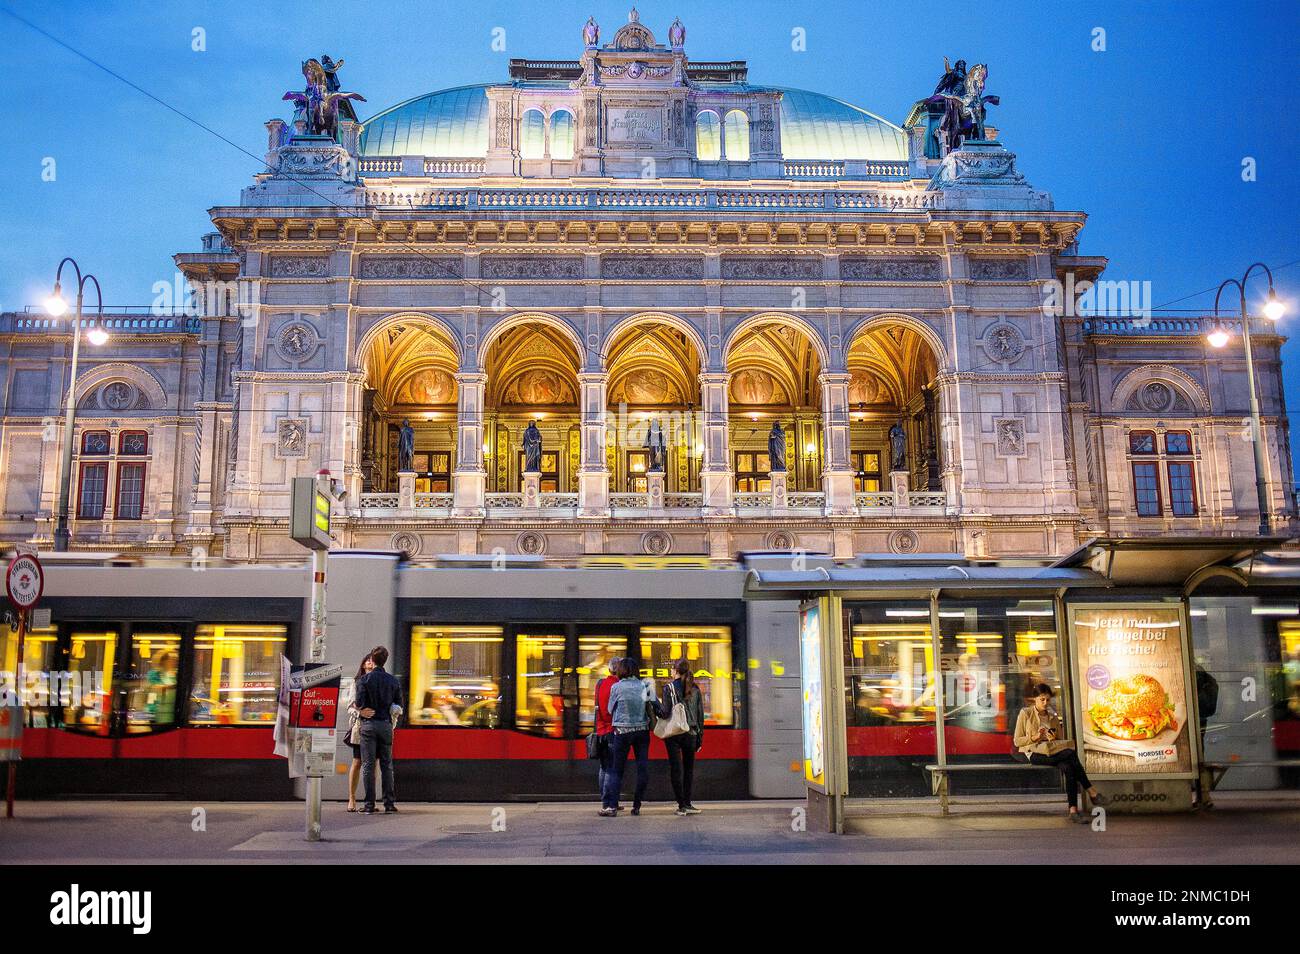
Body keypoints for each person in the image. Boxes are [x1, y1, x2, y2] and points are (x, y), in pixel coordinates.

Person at [1013, 683, 1106, 822]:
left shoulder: (1053, 717)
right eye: (1042, 699)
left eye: (1048, 700)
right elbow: (1017, 741)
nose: (1045, 703)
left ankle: (1073, 811)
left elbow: (1059, 741)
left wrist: (1052, 737)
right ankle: (1091, 792)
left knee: (1069, 768)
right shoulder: (1026, 713)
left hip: (1052, 751)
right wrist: (1034, 737)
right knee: (1070, 753)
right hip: (1034, 753)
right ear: (1035, 699)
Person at [354, 645, 403, 815]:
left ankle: (369, 805)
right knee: (387, 765)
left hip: (368, 725)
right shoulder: (393, 681)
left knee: (368, 765)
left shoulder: (364, 681)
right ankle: (389, 804)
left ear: (372, 661)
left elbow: (359, 704)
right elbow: (398, 706)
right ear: (385, 660)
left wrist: (363, 709)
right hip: (386, 725)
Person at [600, 658, 652, 817]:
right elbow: (653, 705)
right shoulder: (645, 685)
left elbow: (609, 709)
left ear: (621, 670)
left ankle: (612, 807)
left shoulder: (616, 687)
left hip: (622, 733)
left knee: (617, 770)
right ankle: (636, 805)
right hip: (642, 731)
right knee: (642, 768)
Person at [658, 659, 705, 816]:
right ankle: (688, 802)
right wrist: (700, 738)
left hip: (673, 733)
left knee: (676, 769)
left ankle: (681, 806)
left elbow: (664, 713)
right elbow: (700, 716)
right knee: (689, 770)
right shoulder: (696, 688)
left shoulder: (668, 688)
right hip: (691, 733)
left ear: (674, 671)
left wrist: (654, 705)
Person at [344, 652, 373, 812]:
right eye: (368, 660)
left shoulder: (378, 680)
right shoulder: (356, 683)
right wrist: (360, 713)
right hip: (359, 727)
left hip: (374, 726)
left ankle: (370, 799)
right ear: (363, 664)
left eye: (373, 661)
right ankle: (352, 798)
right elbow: (350, 706)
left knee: (373, 764)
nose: (370, 663)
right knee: (357, 762)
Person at [594, 657, 621, 805]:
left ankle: (606, 799)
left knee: (603, 767)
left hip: (600, 730)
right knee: (611, 767)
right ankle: (608, 802)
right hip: (612, 729)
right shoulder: (617, 685)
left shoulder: (600, 683)